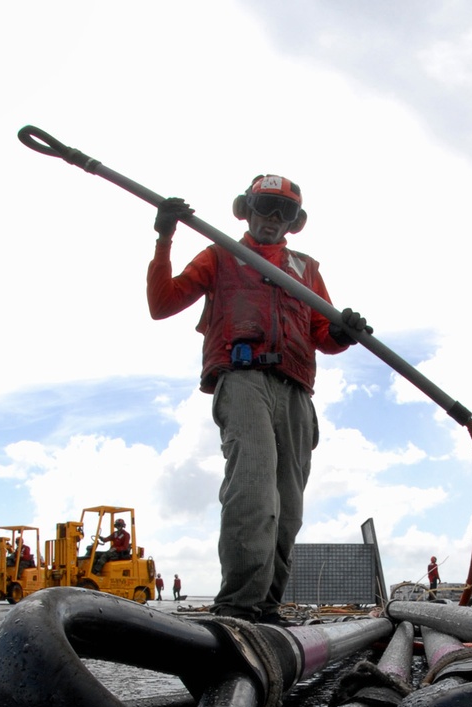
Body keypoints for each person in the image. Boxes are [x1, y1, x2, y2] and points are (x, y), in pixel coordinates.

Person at [147, 175, 370, 625]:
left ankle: (266, 609)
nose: (271, 219)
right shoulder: (220, 254)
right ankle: (238, 607)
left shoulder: (306, 269)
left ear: (294, 222)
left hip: (295, 391)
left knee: (288, 507)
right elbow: (162, 303)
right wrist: (164, 238)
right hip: (244, 379)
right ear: (245, 210)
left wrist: (343, 333)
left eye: (282, 212)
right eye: (264, 207)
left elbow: (322, 334)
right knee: (252, 493)